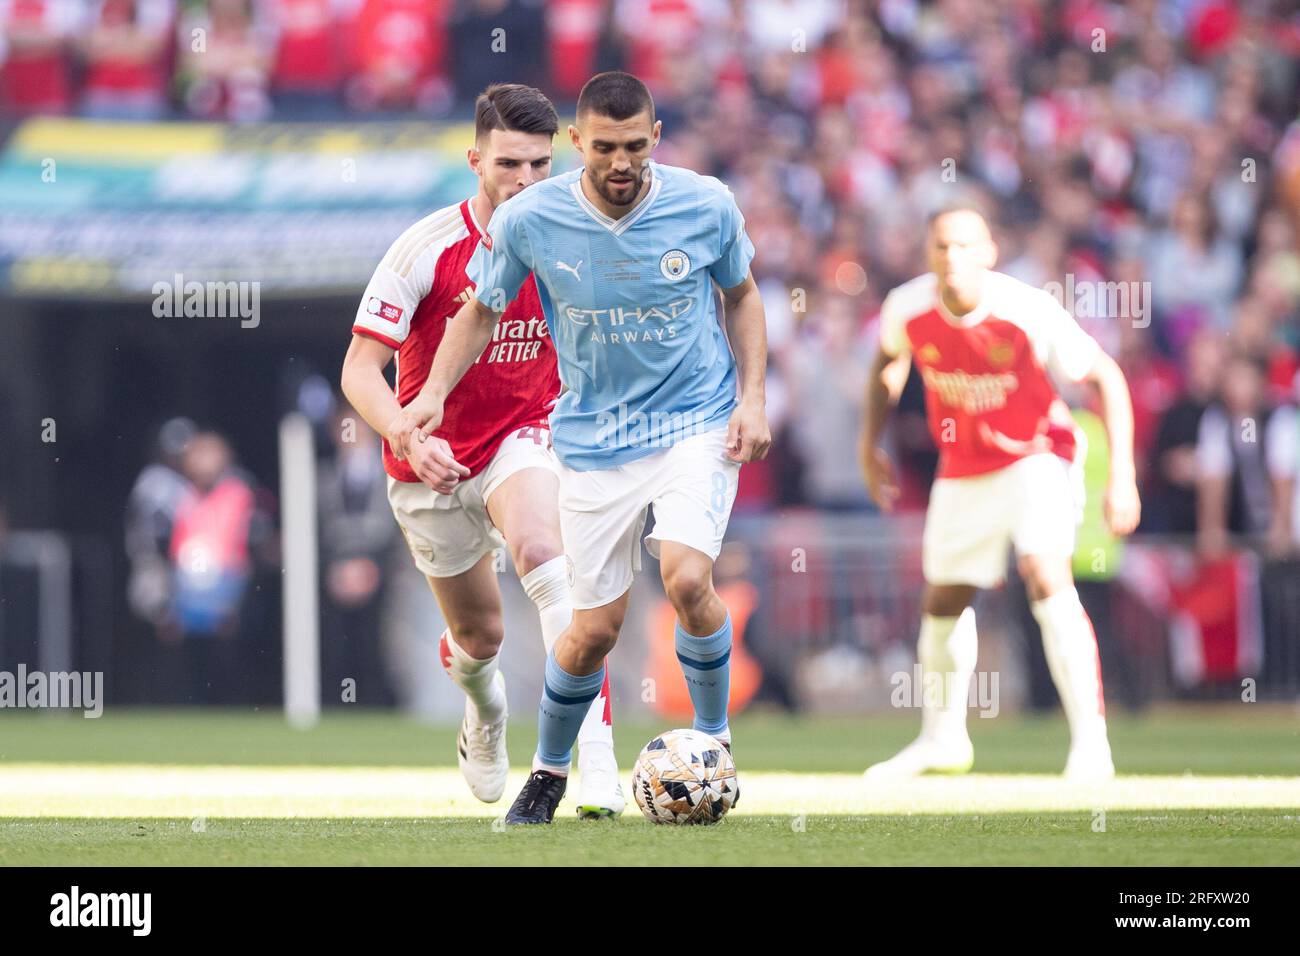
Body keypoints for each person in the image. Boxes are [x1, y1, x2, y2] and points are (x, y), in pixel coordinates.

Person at [394, 71, 771, 824]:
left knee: (687, 576)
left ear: (655, 137)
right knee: (591, 630)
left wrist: (753, 398)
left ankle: (712, 742)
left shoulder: (706, 205)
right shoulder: (531, 219)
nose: (621, 162)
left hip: (694, 423)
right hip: (594, 441)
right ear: (577, 142)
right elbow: (480, 310)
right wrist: (431, 392)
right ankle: (548, 773)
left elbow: (743, 295)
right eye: (604, 148)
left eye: (634, 146)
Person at [340, 83, 623, 816]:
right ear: (475, 161)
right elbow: (360, 371)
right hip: (428, 461)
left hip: (524, 437)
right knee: (479, 637)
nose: (526, 180)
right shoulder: (428, 247)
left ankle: (593, 762)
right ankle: (485, 710)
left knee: (544, 557)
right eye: (508, 165)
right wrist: (406, 435)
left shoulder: (581, 240)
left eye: (539, 164)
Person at [859, 205, 1141, 783]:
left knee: (1045, 575)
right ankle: (942, 741)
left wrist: (1123, 474)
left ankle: (1091, 745)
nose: (952, 257)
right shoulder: (906, 307)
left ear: (990, 252)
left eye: (965, 245)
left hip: (1036, 454)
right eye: (942, 246)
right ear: (928, 253)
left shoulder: (1027, 309)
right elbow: (888, 361)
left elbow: (1106, 376)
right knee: (943, 598)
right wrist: (869, 443)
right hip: (963, 465)